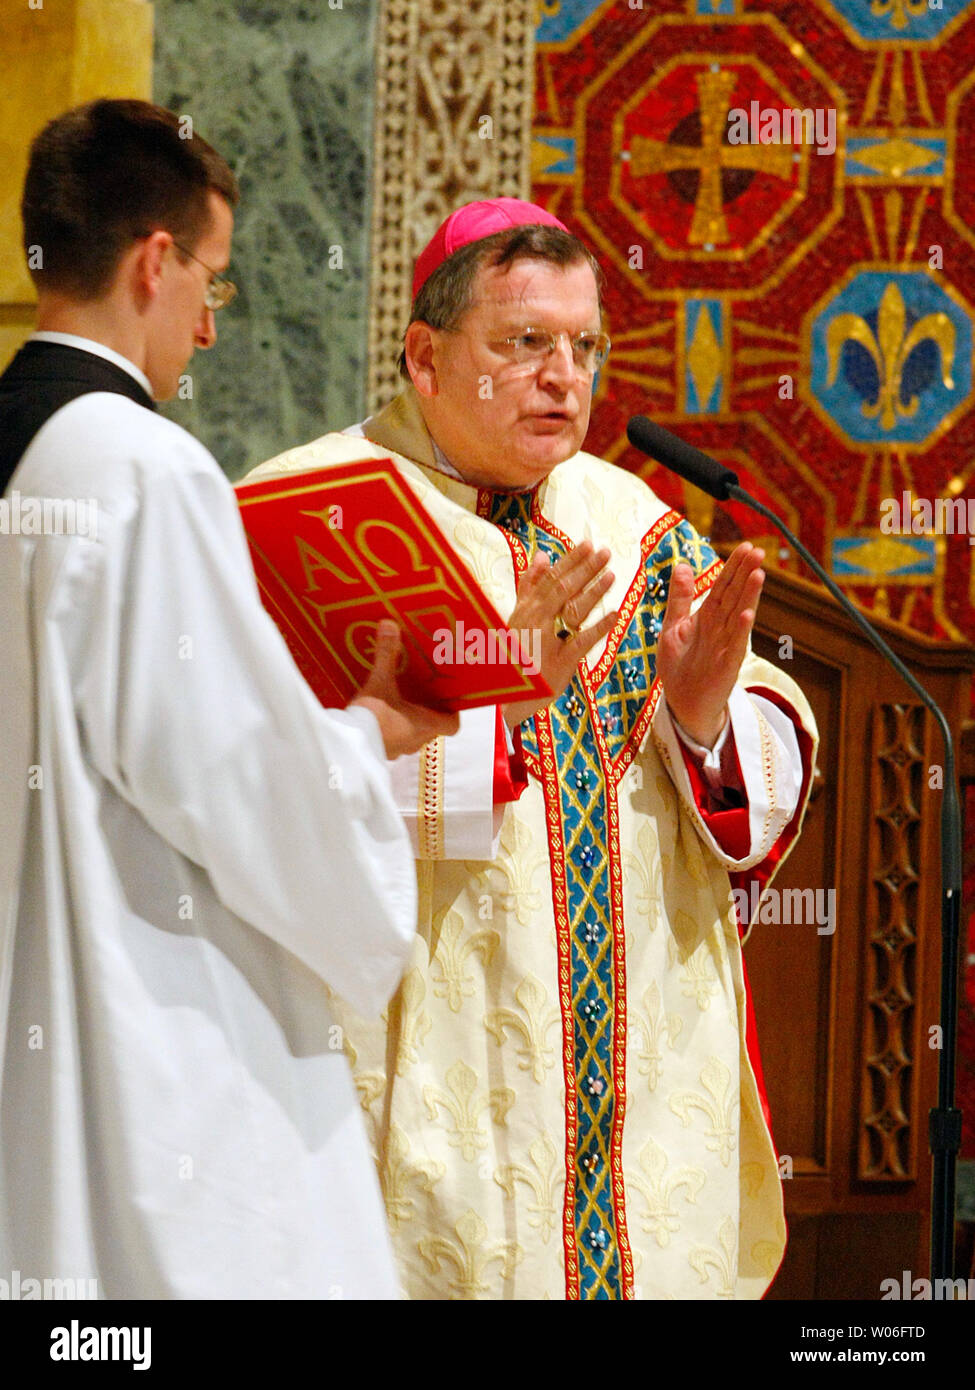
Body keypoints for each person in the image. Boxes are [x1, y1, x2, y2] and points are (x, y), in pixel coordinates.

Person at [248, 198, 819, 1300]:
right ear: (424, 355)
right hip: (416, 1085)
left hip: (634, 1106)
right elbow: (263, 783)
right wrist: (491, 709)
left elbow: (763, 757)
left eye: (584, 345)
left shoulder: (635, 523)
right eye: (523, 343)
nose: (565, 376)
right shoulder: (315, 510)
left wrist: (703, 717)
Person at [0, 99, 458, 1300]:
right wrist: (368, 737)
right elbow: (233, 777)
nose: (209, 322)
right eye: (213, 278)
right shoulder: (135, 467)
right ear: (155, 260)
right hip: (132, 1007)